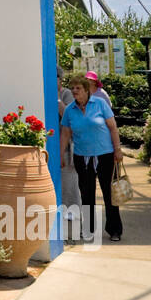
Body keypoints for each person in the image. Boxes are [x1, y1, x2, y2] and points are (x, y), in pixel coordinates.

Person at [60, 73, 124, 242]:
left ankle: (114, 229)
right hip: (82, 157)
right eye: (72, 88)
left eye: (78, 88)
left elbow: (113, 127)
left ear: (87, 90)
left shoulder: (100, 104)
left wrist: (117, 149)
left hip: (105, 155)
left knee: (109, 193)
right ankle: (88, 229)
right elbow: (65, 133)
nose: (74, 91)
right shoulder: (70, 110)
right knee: (86, 194)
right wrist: (61, 155)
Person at [59, 75, 79, 240]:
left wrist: (58, 101)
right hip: (54, 144)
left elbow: (68, 116)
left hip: (68, 145)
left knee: (70, 181)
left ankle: (73, 210)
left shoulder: (66, 94)